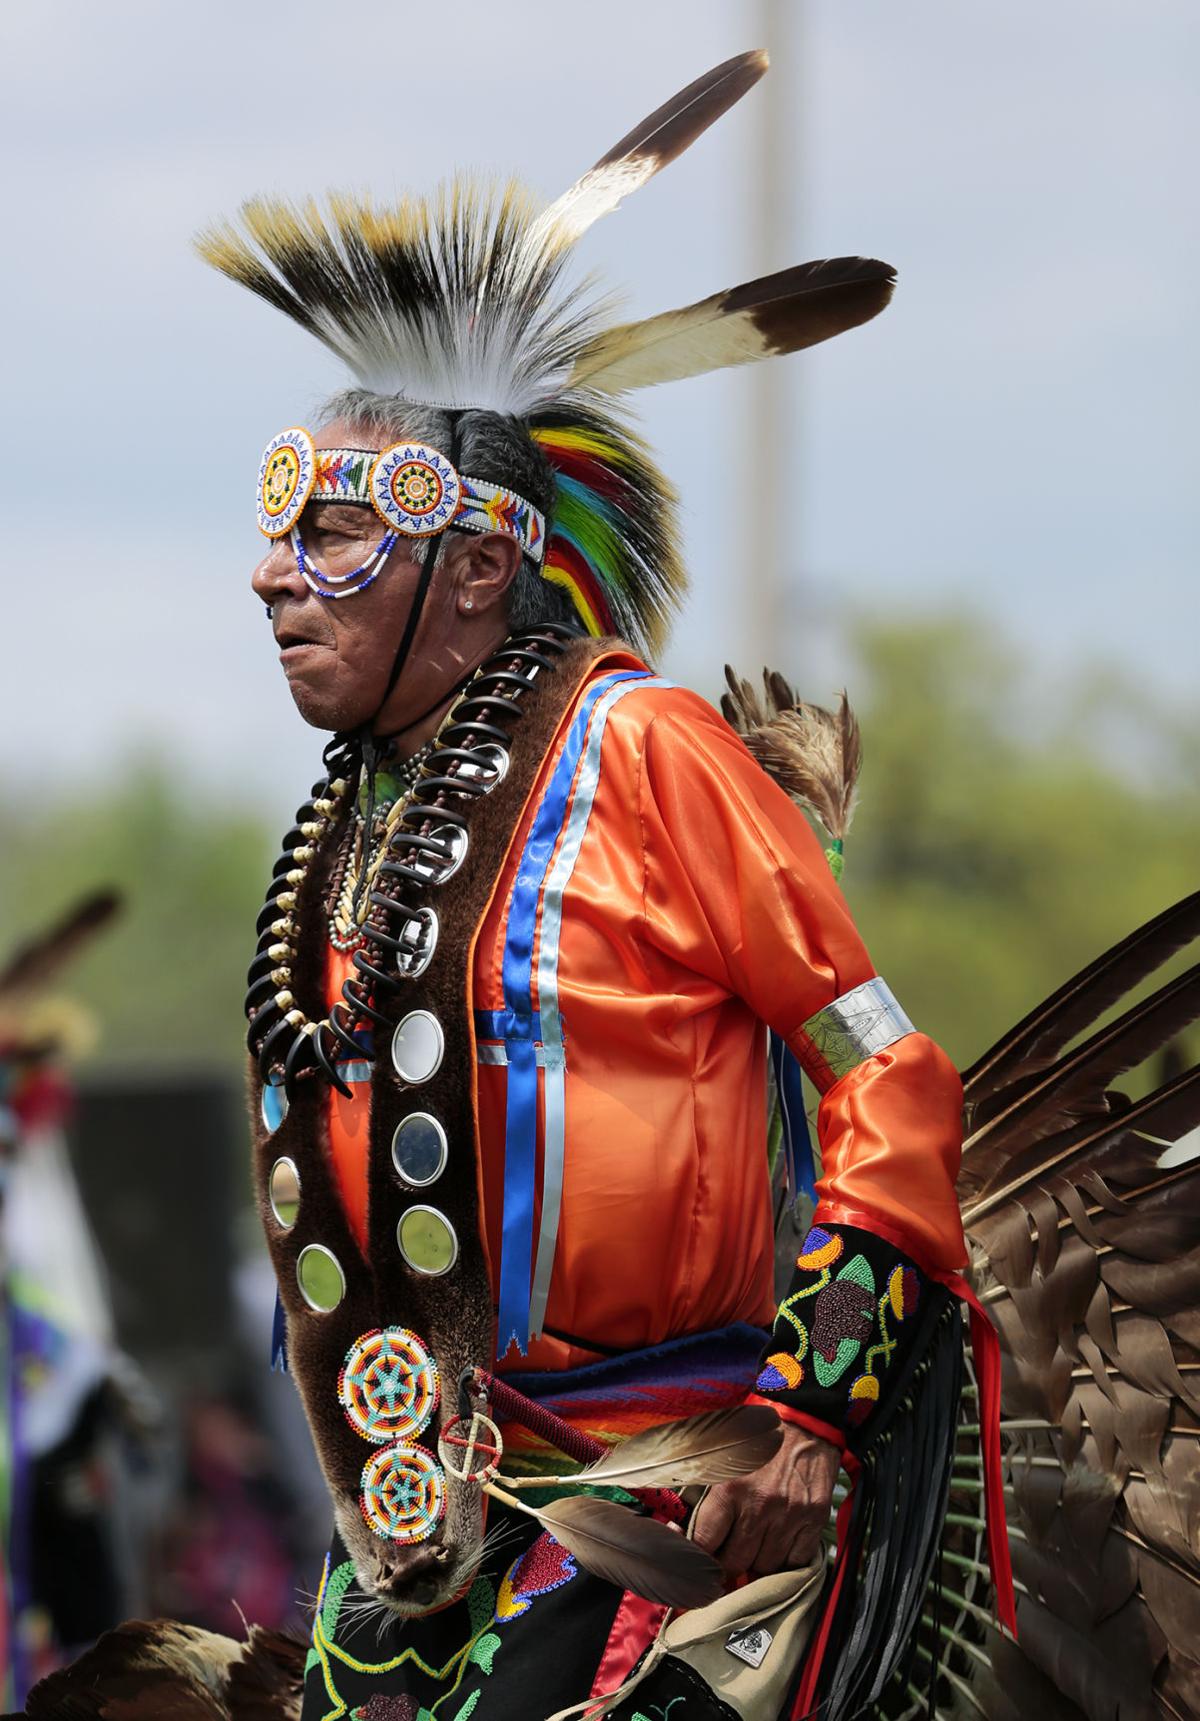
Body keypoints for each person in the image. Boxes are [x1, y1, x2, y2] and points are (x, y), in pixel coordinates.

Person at [197, 51, 997, 1721]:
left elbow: (890, 1075)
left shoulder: (646, 753)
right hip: (414, 1506)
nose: (278, 572)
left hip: (664, 1475)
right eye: (278, 529)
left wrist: (809, 1415)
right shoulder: (363, 807)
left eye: (340, 532)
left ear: (482, 567)